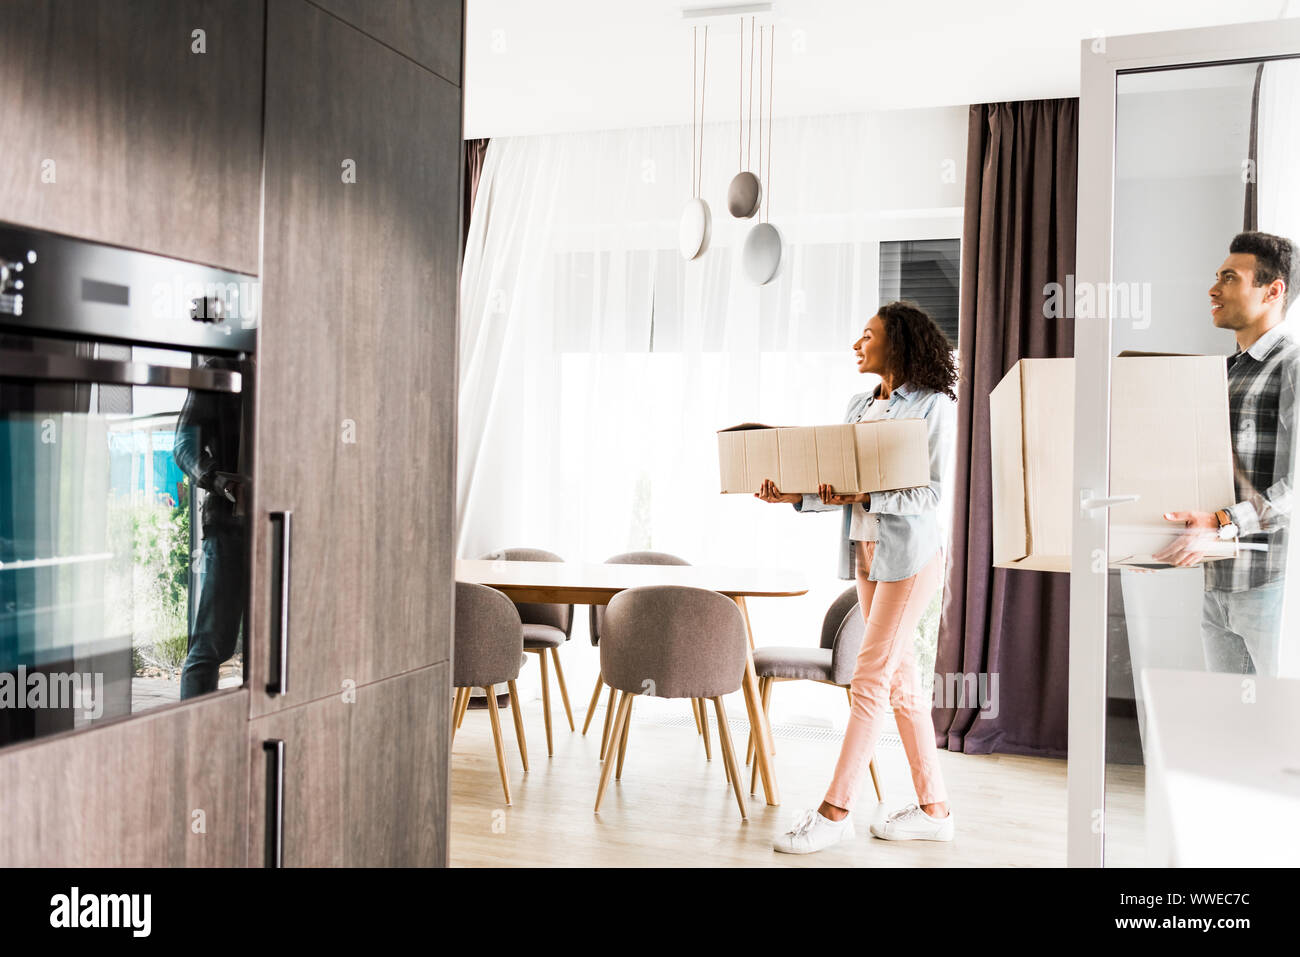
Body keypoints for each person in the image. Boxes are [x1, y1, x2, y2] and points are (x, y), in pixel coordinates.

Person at [755, 300, 958, 854]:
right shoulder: (859, 404)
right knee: (898, 682)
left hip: (911, 557)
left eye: (867, 335)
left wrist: (867, 493)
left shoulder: (933, 405)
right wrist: (793, 496)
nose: (856, 344)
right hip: (866, 551)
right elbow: (837, 489)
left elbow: (931, 493)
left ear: (897, 342)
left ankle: (835, 810)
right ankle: (935, 808)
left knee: (868, 678)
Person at [1154, 231, 1297, 676]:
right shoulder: (1221, 373)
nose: (1213, 289)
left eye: (1230, 278)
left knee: (1282, 733)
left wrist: (1221, 522)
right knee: (1231, 725)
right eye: (1216, 277)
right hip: (1218, 583)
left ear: (1273, 290)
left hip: (1272, 584)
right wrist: (1146, 543)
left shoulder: (1292, 366)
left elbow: (1294, 489)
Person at [174, 354, 248, 699]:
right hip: (229, 525)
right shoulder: (218, 368)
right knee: (211, 646)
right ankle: (190, 740)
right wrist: (220, 481)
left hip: (283, 520)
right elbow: (183, 445)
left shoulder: (291, 361)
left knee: (274, 641)